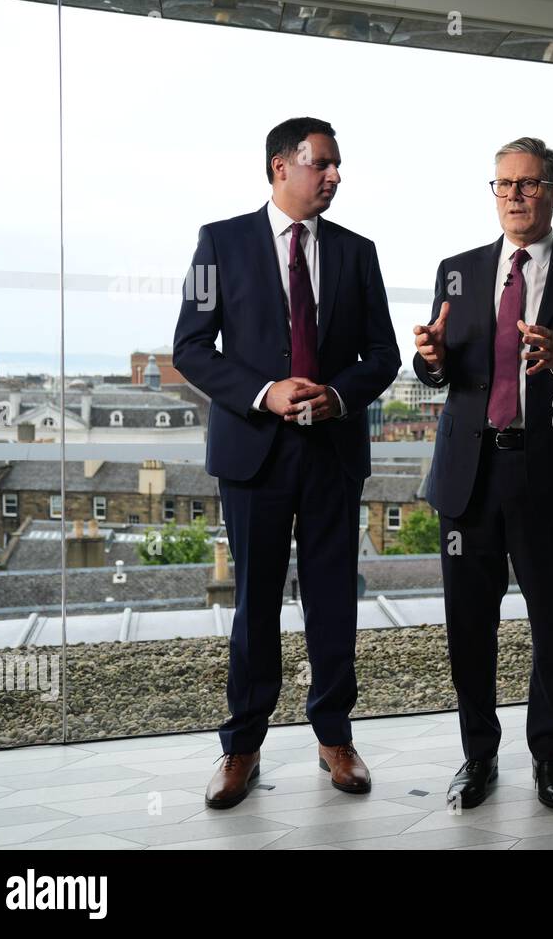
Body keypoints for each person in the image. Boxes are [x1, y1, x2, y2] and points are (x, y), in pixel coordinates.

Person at [173, 117, 400, 809]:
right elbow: (190, 347)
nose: (334, 176)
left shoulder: (358, 253)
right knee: (255, 606)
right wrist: (264, 393)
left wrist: (335, 394)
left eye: (336, 166)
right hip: (253, 455)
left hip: (332, 454)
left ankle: (335, 737)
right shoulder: (221, 243)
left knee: (334, 603)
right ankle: (241, 747)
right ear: (281, 167)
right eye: (322, 164)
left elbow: (384, 356)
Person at [412, 137, 553, 810]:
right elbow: (438, 375)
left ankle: (549, 758)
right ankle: (478, 757)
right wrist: (429, 358)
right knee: (467, 628)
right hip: (469, 478)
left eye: (529, 184)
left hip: (551, 478)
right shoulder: (458, 271)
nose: (515, 195)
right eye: (504, 183)